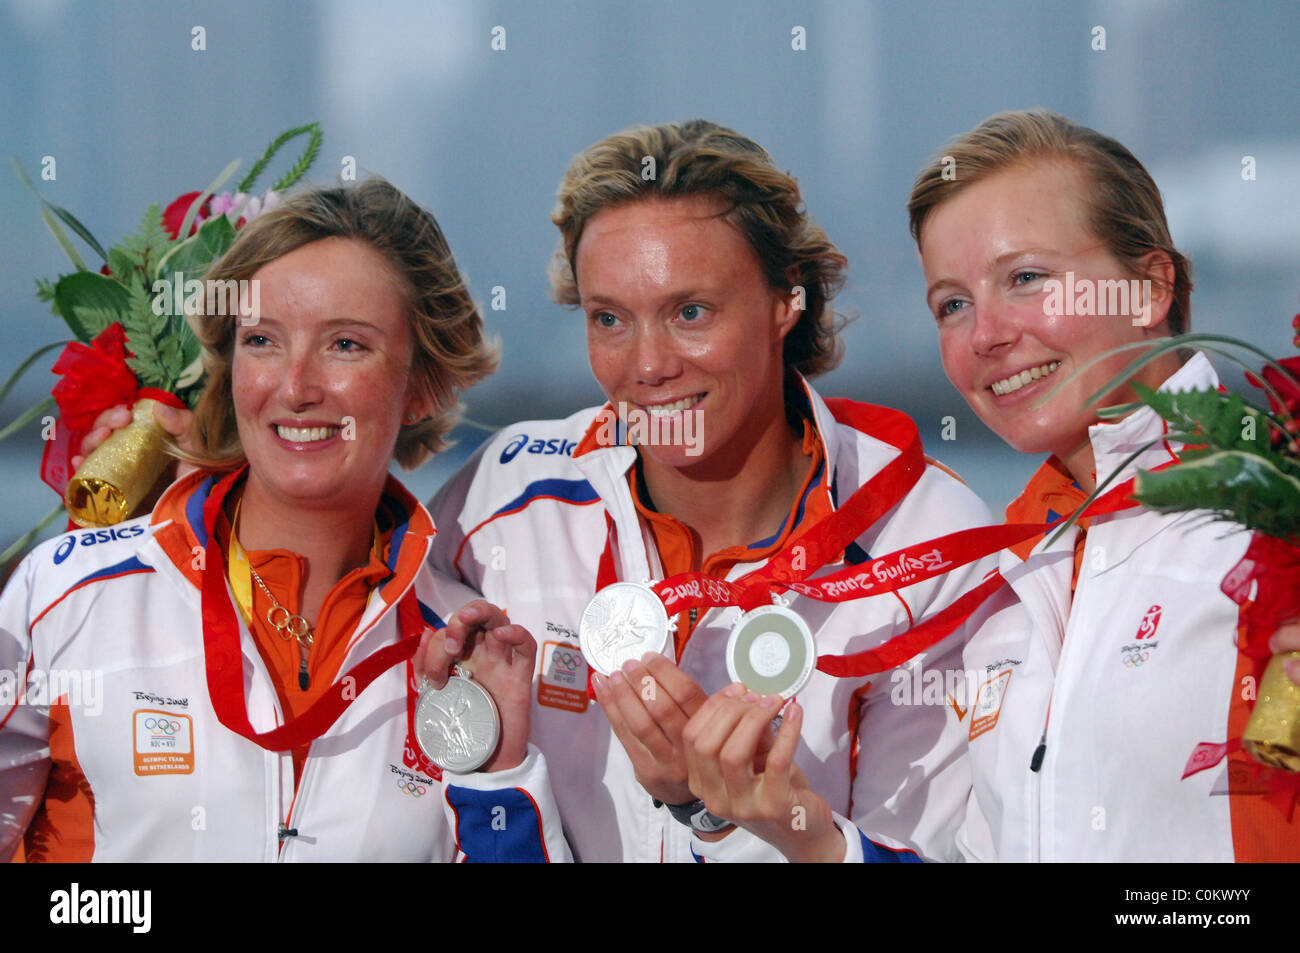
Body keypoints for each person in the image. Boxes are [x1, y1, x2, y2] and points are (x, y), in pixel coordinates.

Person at [687, 109, 1300, 862]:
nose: (986, 334)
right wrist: (801, 829)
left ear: (1149, 287)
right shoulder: (1012, 577)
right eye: (952, 303)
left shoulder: (1273, 520)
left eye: (1026, 278)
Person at [427, 119, 997, 862]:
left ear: (785, 304)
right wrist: (494, 776)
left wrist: (713, 816)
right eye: (610, 319)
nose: (650, 364)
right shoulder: (500, 500)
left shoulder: (929, 543)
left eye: (690, 312)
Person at [0, 179, 569, 862]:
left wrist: (499, 774)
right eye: (264, 340)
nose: (296, 387)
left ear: (422, 386)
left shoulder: (462, 653)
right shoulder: (68, 596)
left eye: (346, 345)